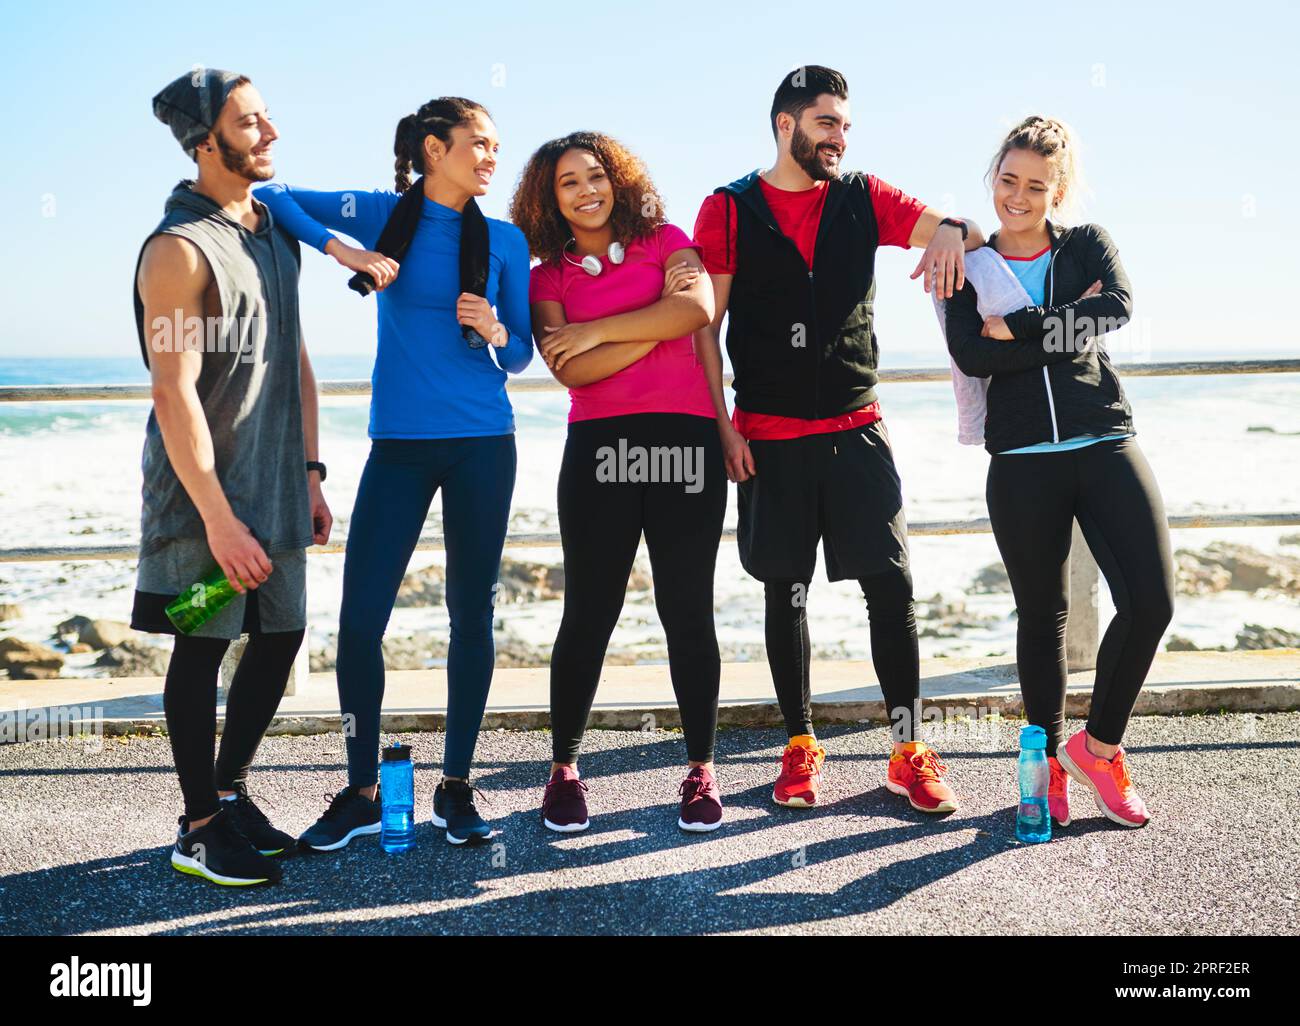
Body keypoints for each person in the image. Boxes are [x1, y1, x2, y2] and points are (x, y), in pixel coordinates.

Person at [694, 65, 987, 814]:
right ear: (786, 125)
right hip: (769, 435)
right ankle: (799, 746)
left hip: (857, 429)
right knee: (783, 593)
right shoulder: (728, 209)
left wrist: (953, 229)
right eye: (827, 123)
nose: (840, 138)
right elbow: (706, 326)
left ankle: (907, 749)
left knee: (891, 589)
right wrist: (722, 423)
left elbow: (959, 230)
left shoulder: (865, 197)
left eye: (847, 126)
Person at [256, 97, 533, 846]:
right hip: (400, 446)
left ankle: (458, 786)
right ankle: (361, 789)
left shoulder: (505, 240)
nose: (490, 158)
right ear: (434, 148)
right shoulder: (381, 213)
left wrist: (496, 329)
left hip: (483, 444)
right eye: (479, 144)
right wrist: (339, 249)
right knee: (359, 619)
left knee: (471, 614)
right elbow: (270, 197)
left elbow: (520, 355)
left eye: (496, 147)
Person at [943, 115, 1173, 828]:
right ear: (994, 178)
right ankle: (1043, 770)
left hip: (1103, 441)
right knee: (1041, 617)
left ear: (1058, 188)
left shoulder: (1085, 245)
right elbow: (972, 355)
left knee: (1152, 601)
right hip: (1019, 463)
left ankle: (1098, 748)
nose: (1018, 195)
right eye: (1008, 180)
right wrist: (1061, 326)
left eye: (1036, 185)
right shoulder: (967, 262)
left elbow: (1117, 310)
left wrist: (1018, 325)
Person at [133, 69, 329, 885]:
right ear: (205, 142)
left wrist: (313, 473)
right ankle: (199, 827)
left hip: (279, 496)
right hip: (203, 508)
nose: (270, 133)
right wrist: (216, 518)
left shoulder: (274, 234)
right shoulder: (178, 250)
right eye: (250, 124)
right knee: (202, 647)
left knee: (280, 638)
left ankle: (230, 790)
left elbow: (299, 361)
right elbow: (173, 392)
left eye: (267, 117)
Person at [510, 132, 726, 833]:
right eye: (568, 183)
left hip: (685, 442)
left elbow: (696, 312)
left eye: (595, 175)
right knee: (589, 612)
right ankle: (565, 770)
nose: (586, 190)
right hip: (600, 448)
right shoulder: (546, 277)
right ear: (551, 199)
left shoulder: (667, 239)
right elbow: (570, 372)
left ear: (618, 179)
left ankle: (700, 768)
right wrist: (651, 328)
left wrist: (598, 331)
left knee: (687, 611)